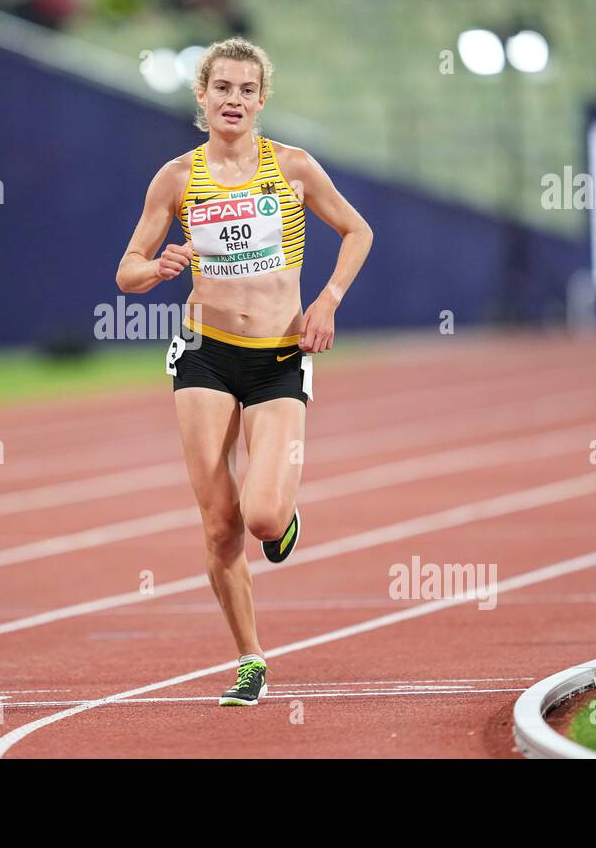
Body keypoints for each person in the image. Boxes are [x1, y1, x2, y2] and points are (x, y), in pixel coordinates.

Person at [115, 37, 374, 705]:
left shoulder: (293, 167)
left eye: (245, 90)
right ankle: (251, 657)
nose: (233, 100)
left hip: (279, 360)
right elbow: (127, 271)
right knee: (219, 522)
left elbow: (358, 231)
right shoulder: (176, 178)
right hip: (205, 354)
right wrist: (159, 267)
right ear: (202, 98)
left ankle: (283, 520)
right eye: (222, 88)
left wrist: (328, 300)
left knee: (260, 519)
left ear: (261, 101)